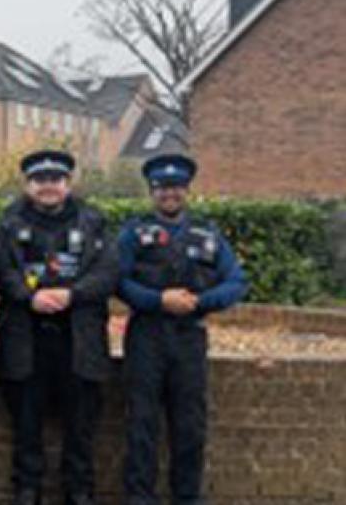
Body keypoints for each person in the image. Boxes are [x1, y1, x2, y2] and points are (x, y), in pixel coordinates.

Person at [117, 154, 247, 505]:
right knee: (142, 422)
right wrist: (159, 300)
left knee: (190, 423)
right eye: (161, 188)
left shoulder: (208, 235)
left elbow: (236, 281)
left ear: (186, 190)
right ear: (152, 191)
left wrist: (200, 302)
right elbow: (118, 280)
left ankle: (187, 496)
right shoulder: (133, 233)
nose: (168, 194)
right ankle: (140, 497)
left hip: (189, 335)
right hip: (147, 334)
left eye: (175, 187)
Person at [0, 150, 118, 505]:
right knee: (26, 421)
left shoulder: (93, 221)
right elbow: (0, 270)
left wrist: (72, 294)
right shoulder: (9, 222)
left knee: (80, 423)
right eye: (40, 181)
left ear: (68, 183)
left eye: (55, 180)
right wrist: (29, 297)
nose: (48, 187)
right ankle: (27, 488)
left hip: (77, 337)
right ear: (28, 184)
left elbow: (108, 272)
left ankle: (79, 489)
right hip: (26, 334)